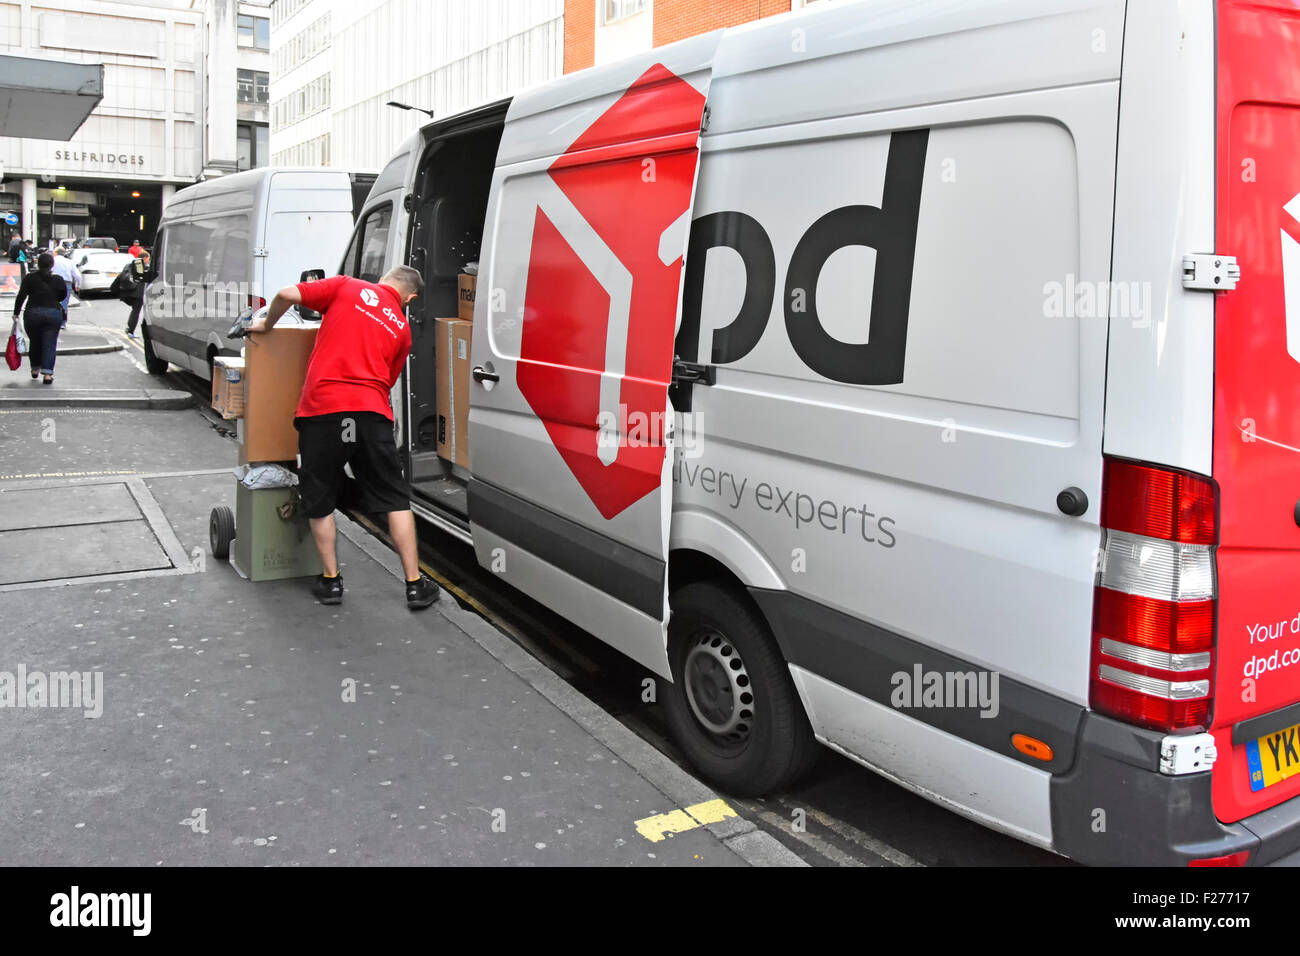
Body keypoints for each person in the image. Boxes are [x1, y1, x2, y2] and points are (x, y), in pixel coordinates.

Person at [250, 265, 441, 610]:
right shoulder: (402, 328)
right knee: (394, 498)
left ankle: (331, 581)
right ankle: (415, 584)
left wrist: (266, 325)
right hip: (370, 414)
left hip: (324, 410)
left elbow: (285, 295)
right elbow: (387, 380)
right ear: (409, 298)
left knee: (319, 493)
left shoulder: (346, 287)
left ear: (385, 279)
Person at [13, 253, 67, 384]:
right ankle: (48, 374)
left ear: (38, 264)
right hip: (53, 313)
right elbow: (63, 296)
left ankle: (35, 369)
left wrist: (16, 313)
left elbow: (21, 296)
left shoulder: (30, 278)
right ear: (52, 265)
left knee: (35, 341)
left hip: (33, 313)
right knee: (50, 344)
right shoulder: (58, 279)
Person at [113, 251, 154, 337]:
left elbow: (121, 276)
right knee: (136, 312)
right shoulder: (142, 266)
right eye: (148, 258)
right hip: (137, 293)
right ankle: (131, 331)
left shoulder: (129, 265)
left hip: (128, 292)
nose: (148, 260)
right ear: (144, 258)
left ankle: (129, 328)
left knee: (134, 311)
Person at [50, 246, 81, 327]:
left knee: (52, 302)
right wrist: (78, 284)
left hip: (53, 282)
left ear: (56, 253)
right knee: (64, 303)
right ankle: (62, 323)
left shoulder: (52, 260)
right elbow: (77, 275)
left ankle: (53, 321)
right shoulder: (69, 262)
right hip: (66, 283)